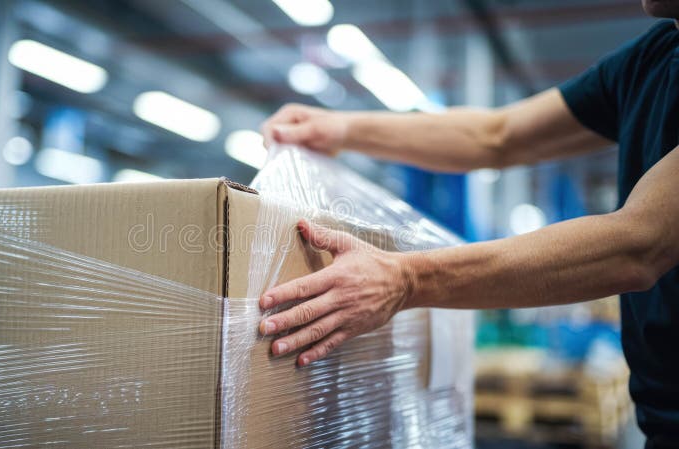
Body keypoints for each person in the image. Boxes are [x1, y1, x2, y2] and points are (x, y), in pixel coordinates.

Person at [257, 2, 679, 446]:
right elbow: (497, 135)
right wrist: (339, 128)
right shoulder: (651, 58)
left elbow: (639, 242)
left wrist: (406, 278)